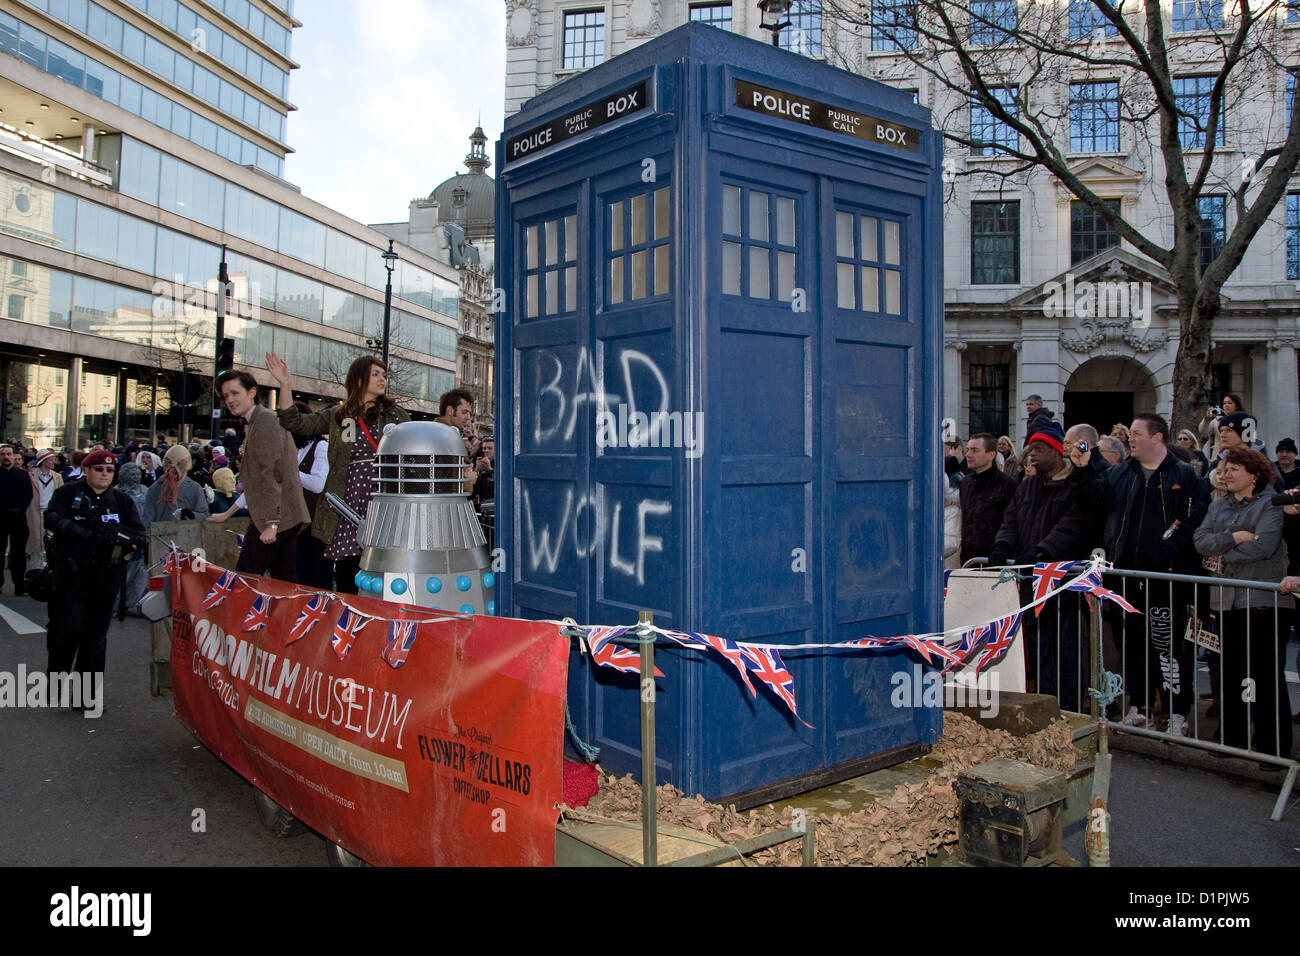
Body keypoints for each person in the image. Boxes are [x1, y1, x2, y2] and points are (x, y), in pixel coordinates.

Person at [1102, 414, 1210, 735]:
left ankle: (1177, 712)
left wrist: (1171, 549)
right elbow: (1096, 500)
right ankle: (1139, 706)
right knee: (1132, 644)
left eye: (1136, 434)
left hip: (1166, 580)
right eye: (1130, 434)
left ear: (1158, 437)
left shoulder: (1184, 475)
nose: (1130, 439)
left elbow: (1195, 519)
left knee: (1168, 646)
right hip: (1127, 576)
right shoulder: (1122, 473)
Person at [267, 352, 409, 594]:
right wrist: (285, 384)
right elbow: (295, 422)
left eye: (384, 375)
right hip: (349, 498)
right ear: (359, 379)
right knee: (349, 568)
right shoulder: (339, 415)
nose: (382, 379)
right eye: (375, 374)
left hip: (385, 496)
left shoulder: (395, 415)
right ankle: (348, 619)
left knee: (384, 562)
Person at [989, 420, 1101, 706]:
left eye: (1039, 449)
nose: (1032, 455)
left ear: (1056, 451)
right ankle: (1044, 701)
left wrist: (1042, 551)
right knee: (1038, 645)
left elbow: (1073, 525)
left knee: (1067, 648)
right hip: (1031, 579)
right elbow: (1011, 519)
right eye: (1030, 450)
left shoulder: (1074, 485)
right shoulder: (1026, 487)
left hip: (1063, 581)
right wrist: (1002, 545)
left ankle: (1069, 704)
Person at [1194, 448, 1293, 760]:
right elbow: (1200, 541)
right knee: (1231, 672)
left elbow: (1265, 546)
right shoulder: (1219, 505)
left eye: (1234, 468)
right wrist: (1236, 537)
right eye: (1224, 468)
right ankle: (1232, 740)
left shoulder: (1270, 503)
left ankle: (1271, 747)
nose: (1227, 474)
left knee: (1266, 675)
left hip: (1263, 600)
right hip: (1227, 602)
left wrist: (1220, 555)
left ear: (1254, 473)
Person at [43, 449, 147, 706]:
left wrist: (121, 539)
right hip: (70, 575)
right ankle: (56, 682)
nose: (104, 473)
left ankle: (85, 697)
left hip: (105, 577)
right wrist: (86, 533)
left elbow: (138, 534)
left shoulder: (121, 501)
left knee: (95, 637)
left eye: (109, 470)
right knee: (66, 632)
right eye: (99, 469)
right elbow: (52, 518)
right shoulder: (68, 493)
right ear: (87, 470)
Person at [209, 370, 309, 582]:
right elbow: (256, 482)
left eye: (235, 393)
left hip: (275, 518)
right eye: (226, 396)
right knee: (284, 583)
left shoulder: (265, 421)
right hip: (280, 516)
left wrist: (271, 524)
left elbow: (272, 475)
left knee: (245, 580)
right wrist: (227, 514)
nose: (230, 400)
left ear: (252, 392)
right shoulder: (253, 423)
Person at [959, 432, 1017, 566]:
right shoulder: (965, 483)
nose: (968, 455)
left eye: (975, 450)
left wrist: (1002, 549)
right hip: (968, 560)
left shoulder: (1007, 485)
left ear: (991, 454)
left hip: (996, 560)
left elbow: (1012, 522)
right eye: (968, 450)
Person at [141, 445, 210, 528]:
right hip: (162, 538)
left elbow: (204, 516)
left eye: (178, 463)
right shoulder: (155, 488)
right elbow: (147, 521)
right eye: (168, 462)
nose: (172, 467)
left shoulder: (195, 488)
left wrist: (192, 515)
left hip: (188, 537)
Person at [0, 444, 33, 594]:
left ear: (14, 456)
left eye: (8, 454)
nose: (6, 457)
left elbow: (28, 495)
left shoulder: (22, 475)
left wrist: (18, 509)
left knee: (18, 554)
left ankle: (19, 585)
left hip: (18, 519)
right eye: (3, 454)